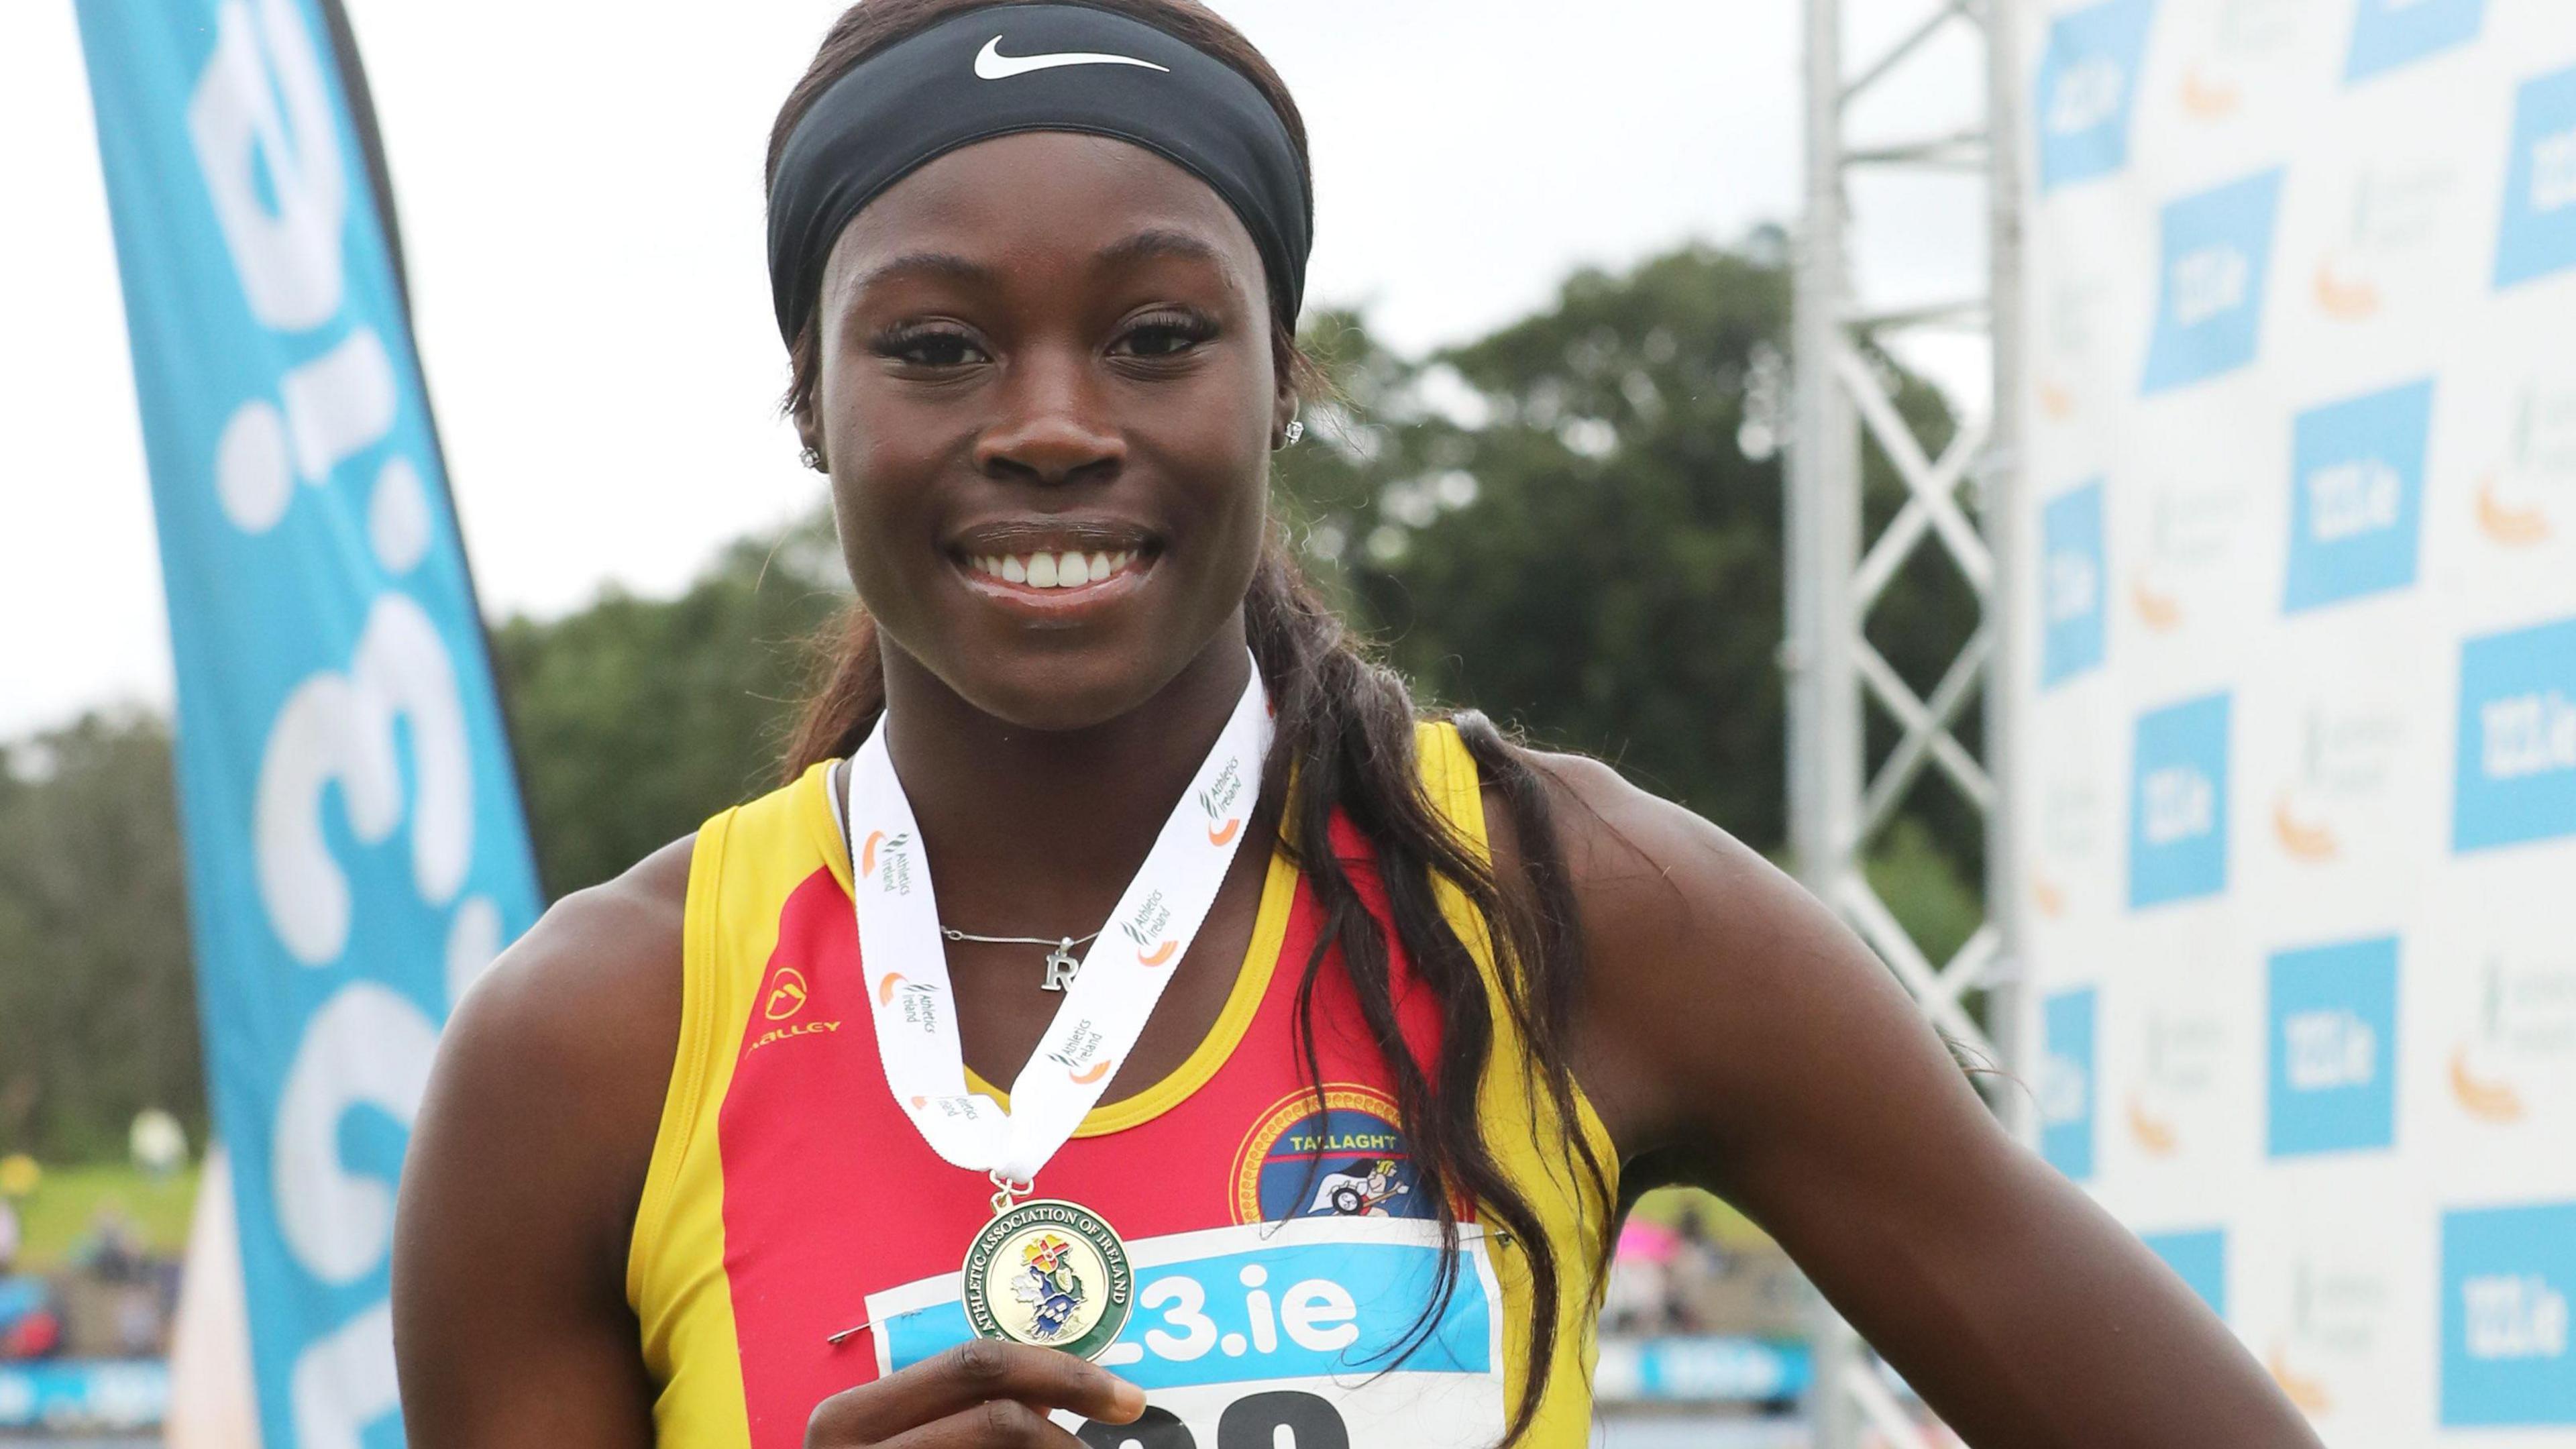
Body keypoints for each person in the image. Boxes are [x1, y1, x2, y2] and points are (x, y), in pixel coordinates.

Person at [390, 3, 2324, 1446]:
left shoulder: (1577, 911)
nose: (1055, 419)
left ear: (1281, 382)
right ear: (814, 405)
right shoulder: (595, 1046)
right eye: (937, 343)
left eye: (1157, 335)